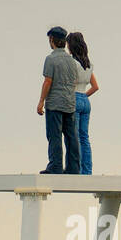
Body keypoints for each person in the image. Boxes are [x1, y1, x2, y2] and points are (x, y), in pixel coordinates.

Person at [37, 26, 82, 174]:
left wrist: (41, 101)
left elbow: (48, 81)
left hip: (55, 104)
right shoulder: (71, 60)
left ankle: (55, 166)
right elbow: (74, 81)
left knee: (54, 136)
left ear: (52, 40)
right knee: (71, 136)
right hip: (70, 103)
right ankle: (74, 167)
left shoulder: (50, 59)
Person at [66, 31, 98, 175]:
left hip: (74, 98)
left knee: (75, 136)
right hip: (85, 100)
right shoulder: (88, 64)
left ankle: (76, 168)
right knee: (85, 137)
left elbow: (71, 84)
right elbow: (95, 87)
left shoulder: (72, 63)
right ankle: (87, 170)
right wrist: (83, 96)